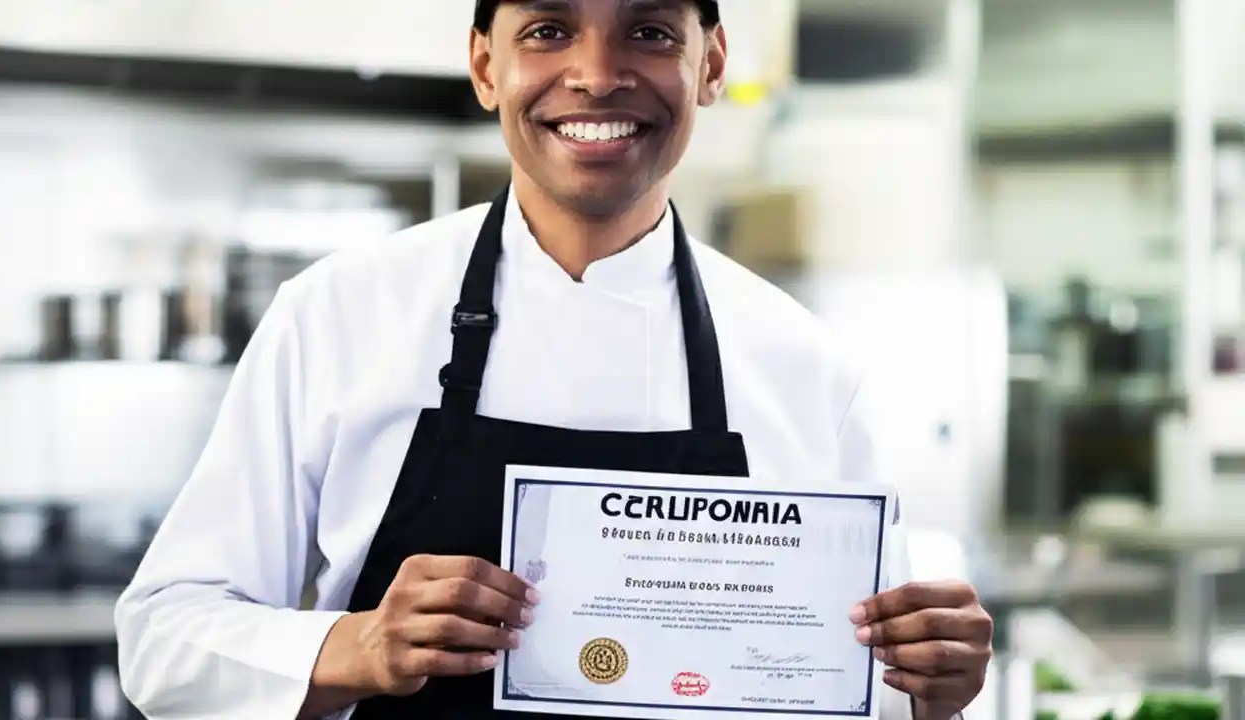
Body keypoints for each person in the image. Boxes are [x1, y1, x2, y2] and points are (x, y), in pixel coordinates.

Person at [114, 1, 994, 718]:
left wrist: (926, 689)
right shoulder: (341, 312)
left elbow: (855, 687)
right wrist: (358, 646)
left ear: (712, 63)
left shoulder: (804, 365)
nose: (598, 73)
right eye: (548, 29)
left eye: (649, 32)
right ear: (486, 64)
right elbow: (163, 643)